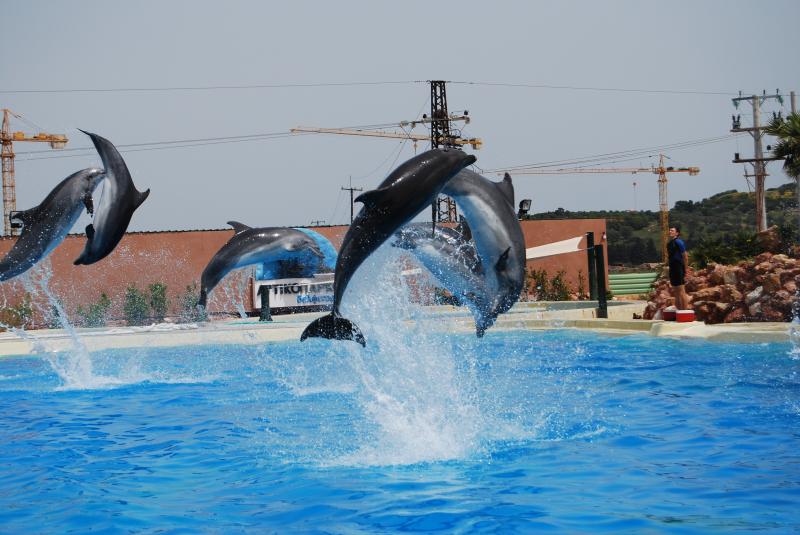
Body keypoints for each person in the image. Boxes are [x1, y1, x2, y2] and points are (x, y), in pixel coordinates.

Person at [667, 225, 689, 310]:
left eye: (672, 230)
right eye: (670, 230)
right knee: (676, 291)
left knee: (681, 290)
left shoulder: (678, 242)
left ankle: (685, 311)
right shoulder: (669, 244)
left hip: (679, 267)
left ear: (677, 233)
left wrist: (686, 268)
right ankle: (679, 311)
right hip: (672, 268)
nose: (670, 232)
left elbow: (685, 256)